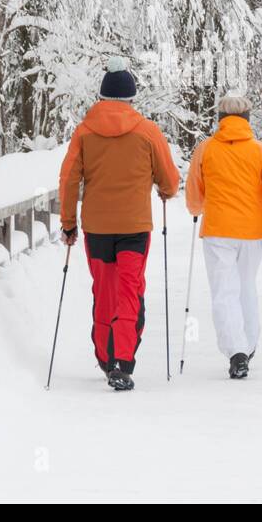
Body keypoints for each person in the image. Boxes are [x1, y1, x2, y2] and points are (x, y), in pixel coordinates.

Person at [58, 57, 180, 391]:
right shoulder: (147, 131)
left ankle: (104, 355)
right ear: (130, 97)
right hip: (134, 227)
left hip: (96, 228)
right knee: (130, 290)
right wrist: (166, 190)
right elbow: (169, 179)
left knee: (104, 289)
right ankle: (122, 361)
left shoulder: (84, 132)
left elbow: (69, 180)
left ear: (102, 96)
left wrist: (68, 224)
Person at [184, 95, 262, 379]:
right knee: (245, 286)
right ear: (248, 119)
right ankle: (248, 345)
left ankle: (237, 351)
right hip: (253, 231)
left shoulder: (205, 150)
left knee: (224, 291)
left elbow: (193, 197)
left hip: (218, 231)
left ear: (220, 120)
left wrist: (197, 209)